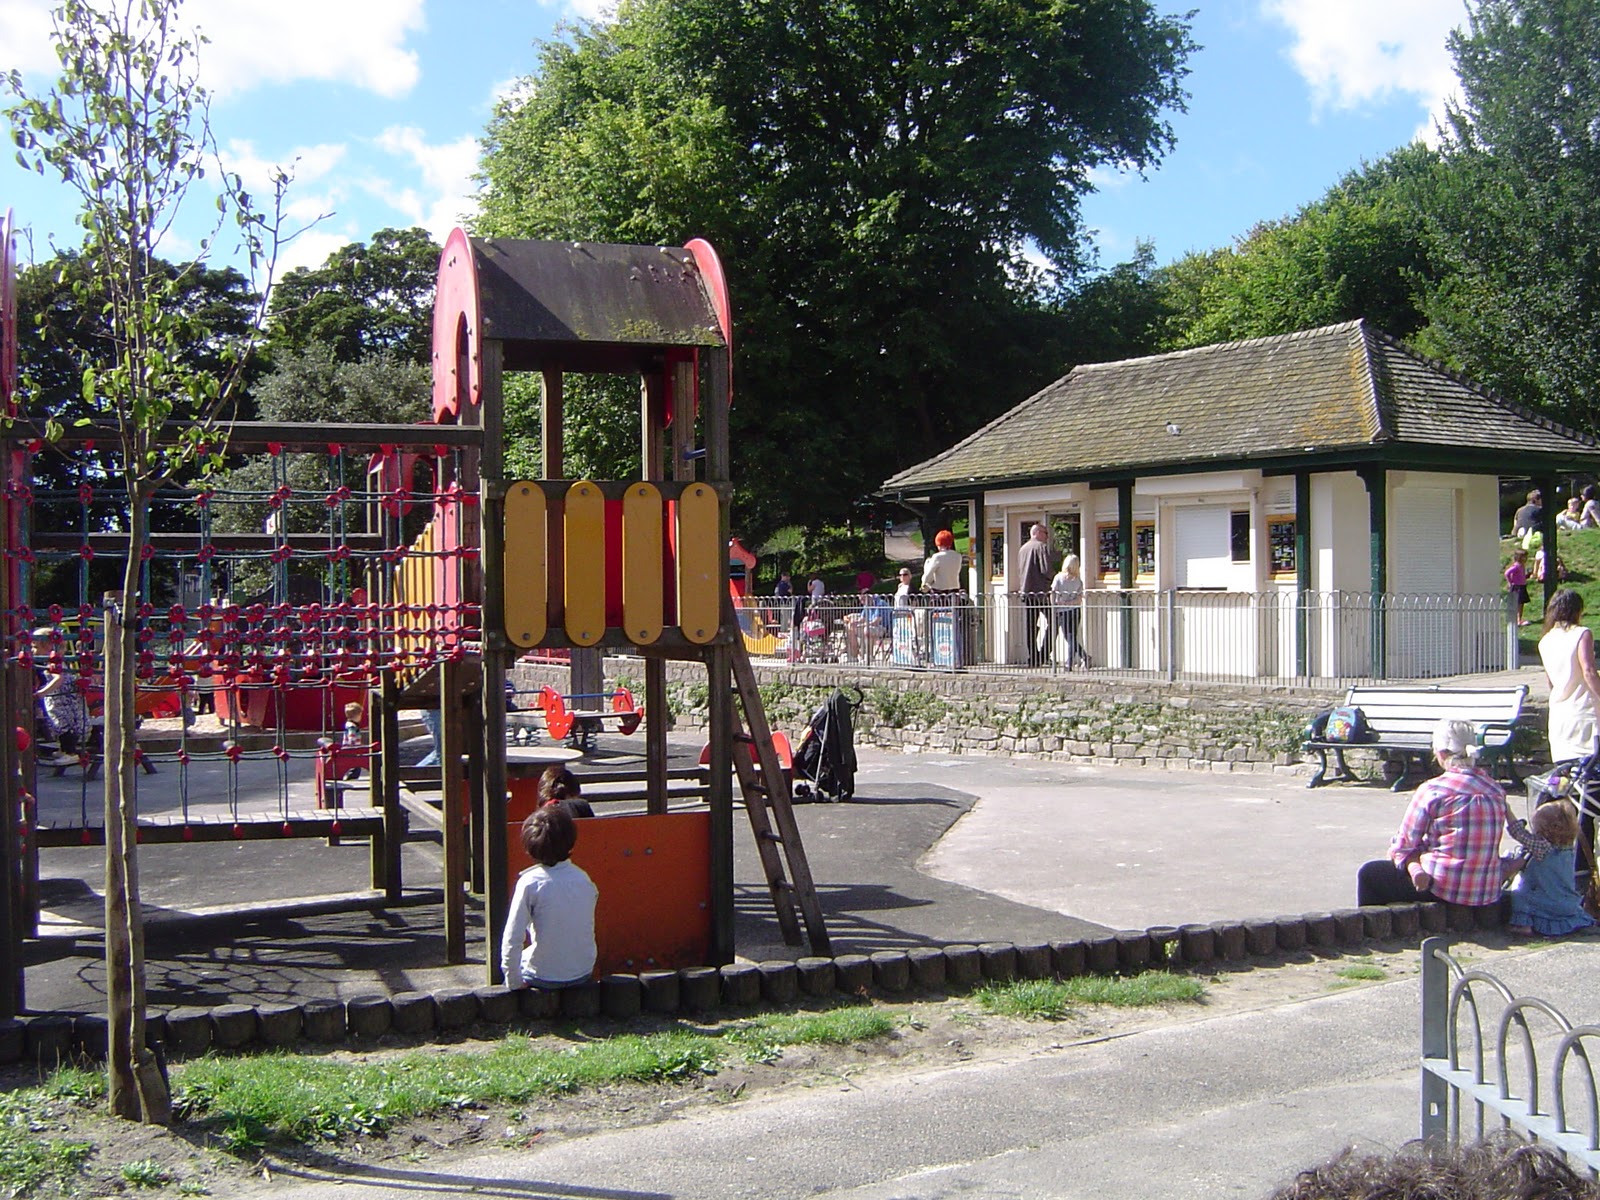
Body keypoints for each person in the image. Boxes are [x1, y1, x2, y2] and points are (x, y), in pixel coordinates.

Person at [1355, 718, 1512, 914]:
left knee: (1370, 875)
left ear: (1442, 753)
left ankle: (1376, 931)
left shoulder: (1433, 790)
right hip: (1484, 889)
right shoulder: (1495, 789)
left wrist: (1409, 860)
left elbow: (1404, 844)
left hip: (1444, 887)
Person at [500, 804, 598, 990]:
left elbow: (512, 937)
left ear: (530, 848)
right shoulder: (583, 879)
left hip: (542, 975)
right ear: (571, 841)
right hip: (583, 970)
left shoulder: (530, 882)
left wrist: (513, 981)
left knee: (518, 962)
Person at [1504, 797, 1594, 937]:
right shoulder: (1568, 847)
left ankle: (1523, 925)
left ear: (1547, 828)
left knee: (1519, 892)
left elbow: (1519, 834)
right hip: (1566, 901)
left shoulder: (1543, 846)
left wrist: (1507, 811)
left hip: (1546, 901)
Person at [1538, 589, 1600, 763]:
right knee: (1591, 774)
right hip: (1584, 711)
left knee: (1568, 776)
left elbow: (1551, 681)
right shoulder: (1581, 634)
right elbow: (1588, 671)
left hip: (1560, 713)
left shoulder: (1545, 641)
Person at [1017, 523, 1055, 666]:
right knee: (1054, 621)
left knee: (1031, 626)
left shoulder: (1023, 549)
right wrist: (1055, 579)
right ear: (1038, 533)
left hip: (1027, 593)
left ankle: (1033, 657)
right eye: (1045, 533)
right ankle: (1044, 654)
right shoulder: (1041, 547)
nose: (1047, 537)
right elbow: (1046, 569)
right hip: (1041, 593)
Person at [1050, 553, 1091, 670]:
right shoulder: (1078, 580)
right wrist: (1070, 603)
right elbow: (1079, 599)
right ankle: (1080, 658)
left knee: (1069, 637)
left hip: (1063, 611)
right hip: (1074, 610)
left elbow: (1053, 592)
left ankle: (1071, 662)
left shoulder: (1058, 578)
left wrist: (1055, 605)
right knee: (1071, 636)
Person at [921, 529, 962, 598]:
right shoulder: (957, 556)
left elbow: (928, 575)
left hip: (939, 592)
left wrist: (924, 583)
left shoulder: (937, 557)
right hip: (954, 590)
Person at [1504, 547, 1530, 626]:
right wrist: (1510, 582)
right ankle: (1517, 619)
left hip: (1522, 585)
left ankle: (1519, 618)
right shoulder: (1516, 566)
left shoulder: (1522, 566)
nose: (1525, 559)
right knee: (1518, 603)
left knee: (1521, 604)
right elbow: (1507, 573)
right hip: (1517, 587)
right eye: (1524, 557)